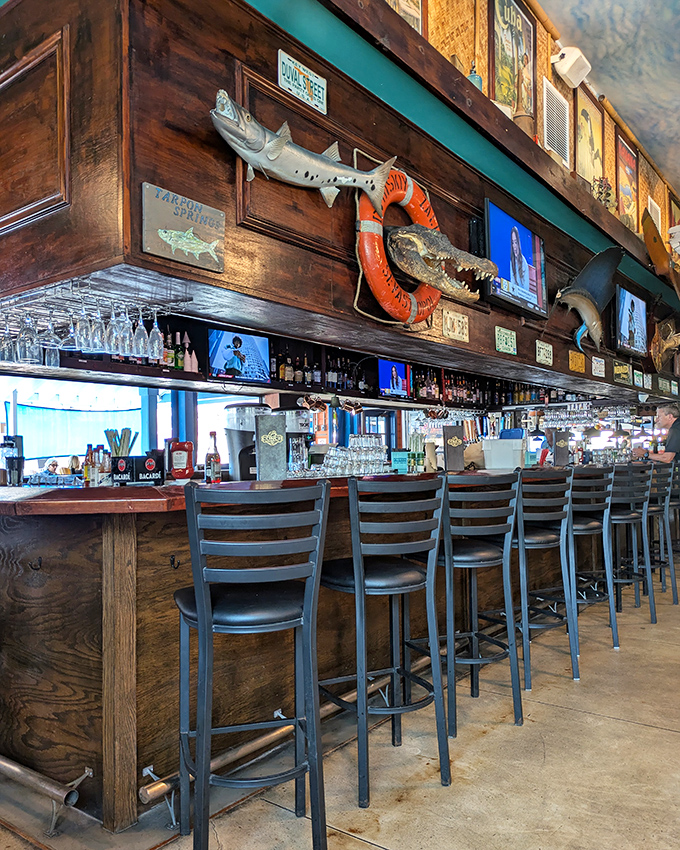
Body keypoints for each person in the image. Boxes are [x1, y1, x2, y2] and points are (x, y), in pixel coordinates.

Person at [509, 226, 529, 296]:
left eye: (516, 242)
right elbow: (512, 283)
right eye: (512, 243)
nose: (514, 246)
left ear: (519, 243)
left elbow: (526, 289)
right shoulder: (512, 261)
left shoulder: (524, 262)